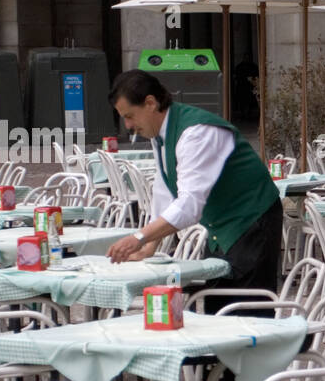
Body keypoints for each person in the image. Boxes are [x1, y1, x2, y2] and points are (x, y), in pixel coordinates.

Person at [106, 70, 283, 304]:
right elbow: (164, 190)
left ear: (150, 103)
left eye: (130, 116)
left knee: (248, 311)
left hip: (253, 220)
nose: (128, 125)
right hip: (223, 228)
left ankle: (292, 340)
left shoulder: (195, 133)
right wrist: (149, 246)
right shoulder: (161, 134)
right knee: (215, 305)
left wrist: (139, 237)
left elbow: (189, 205)